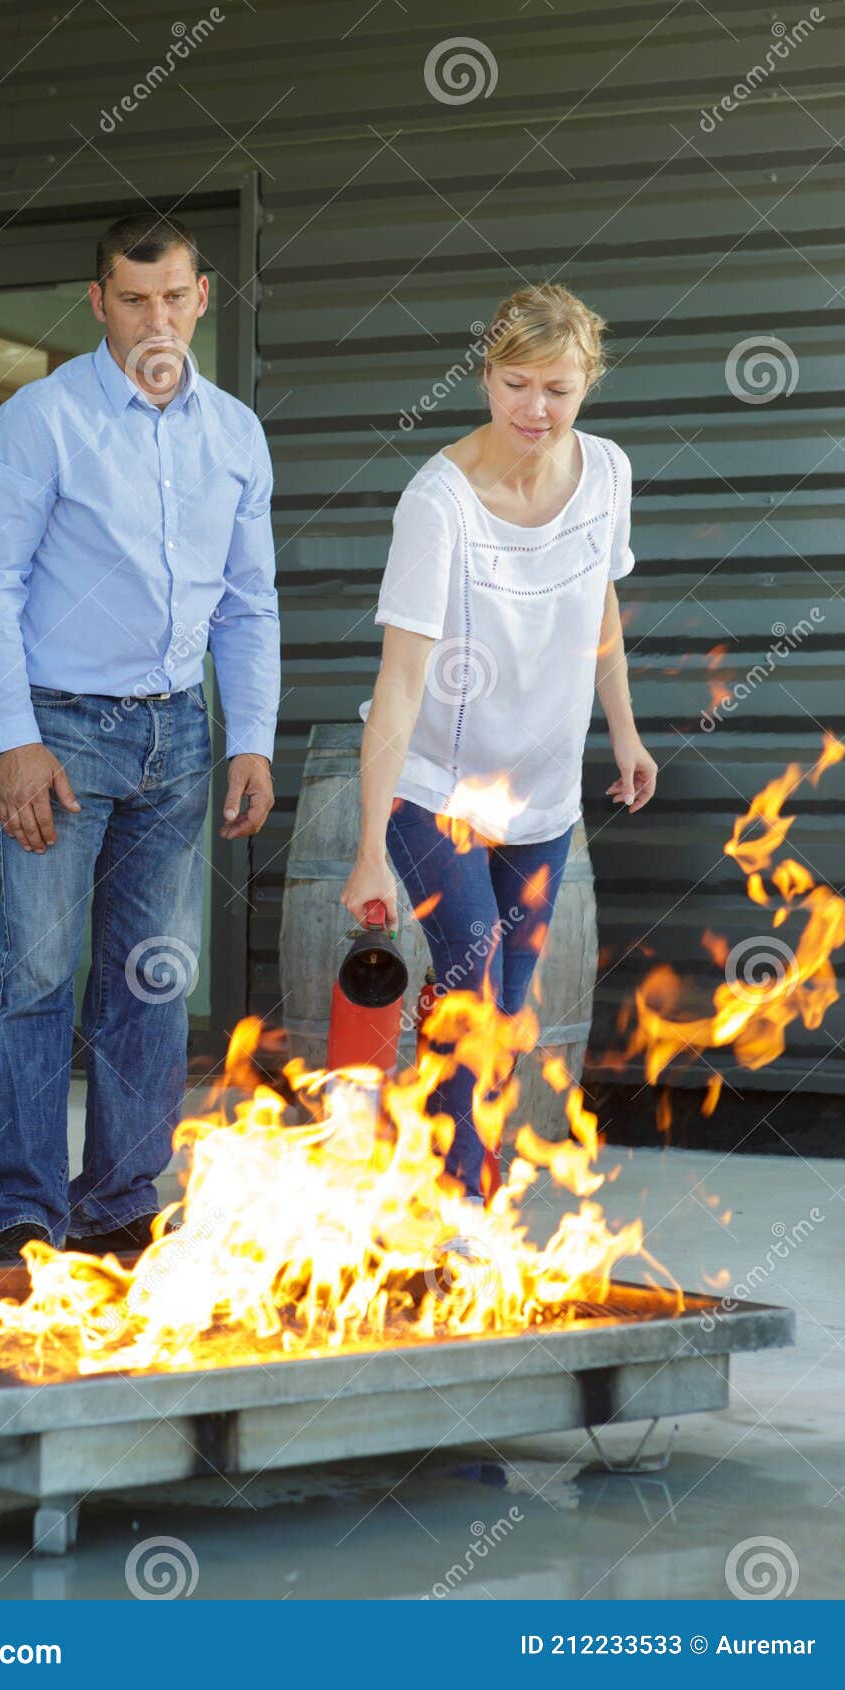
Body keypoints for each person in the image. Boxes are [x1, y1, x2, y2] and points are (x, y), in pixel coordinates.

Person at [0, 212, 279, 1262]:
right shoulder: (39, 424)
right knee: (39, 976)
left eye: (174, 296)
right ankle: (21, 1210)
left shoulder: (233, 432)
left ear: (200, 299)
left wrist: (250, 740)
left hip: (178, 735)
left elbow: (248, 603)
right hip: (60, 733)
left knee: (150, 975)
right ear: (99, 303)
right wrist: (13, 738)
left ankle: (119, 1202)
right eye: (133, 298)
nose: (156, 316)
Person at [341, 282, 656, 1204]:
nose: (535, 409)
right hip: (434, 784)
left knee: (504, 1013)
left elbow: (600, 604)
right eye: (517, 384)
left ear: (587, 383)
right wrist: (368, 852)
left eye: (557, 389)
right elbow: (397, 681)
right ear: (485, 376)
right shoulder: (437, 501)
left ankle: (451, 1190)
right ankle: (457, 1197)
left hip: (543, 790)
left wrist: (624, 733)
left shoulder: (606, 474)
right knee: (471, 961)